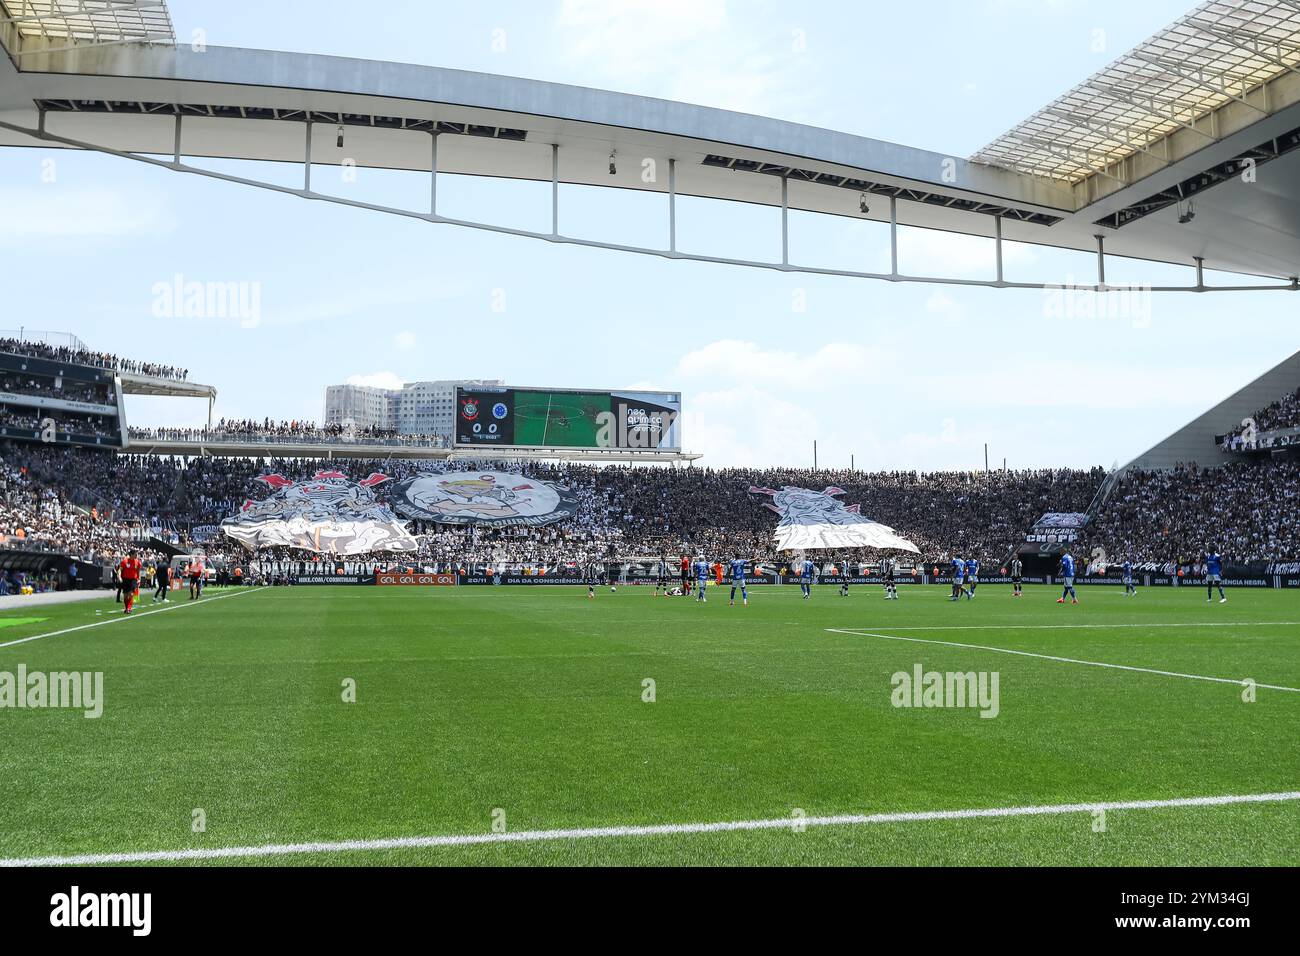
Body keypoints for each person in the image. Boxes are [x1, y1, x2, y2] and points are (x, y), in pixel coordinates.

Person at [118, 550, 142, 615]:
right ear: (131, 554)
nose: (136, 556)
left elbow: (138, 571)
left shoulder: (138, 562)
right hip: (125, 579)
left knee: (131, 594)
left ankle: (129, 608)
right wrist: (119, 576)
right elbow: (120, 569)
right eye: (135, 554)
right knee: (125, 595)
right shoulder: (124, 561)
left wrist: (139, 578)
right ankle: (126, 608)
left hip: (133, 580)